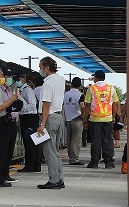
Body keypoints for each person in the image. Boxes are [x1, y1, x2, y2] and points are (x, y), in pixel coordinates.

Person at [36, 57, 66, 189]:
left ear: (47, 68)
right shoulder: (60, 80)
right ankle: (59, 178)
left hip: (49, 117)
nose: (40, 70)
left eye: (41, 67)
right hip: (58, 117)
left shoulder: (48, 83)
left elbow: (46, 104)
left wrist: (42, 123)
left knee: (49, 151)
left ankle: (54, 180)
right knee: (55, 150)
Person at [84, 70, 120, 169]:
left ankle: (94, 162)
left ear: (96, 77)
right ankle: (108, 162)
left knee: (96, 141)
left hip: (95, 119)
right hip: (108, 118)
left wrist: (85, 118)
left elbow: (87, 105)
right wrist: (113, 117)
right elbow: (116, 103)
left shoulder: (91, 89)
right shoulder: (111, 88)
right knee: (108, 140)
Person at [15, 73, 41, 173]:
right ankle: (34, 165)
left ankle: (31, 165)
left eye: (18, 79)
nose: (16, 81)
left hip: (29, 117)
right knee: (33, 142)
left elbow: (32, 105)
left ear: (23, 79)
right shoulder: (23, 90)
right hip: (29, 117)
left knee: (30, 142)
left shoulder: (27, 90)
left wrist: (19, 110)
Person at [63, 77, 86, 165]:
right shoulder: (80, 94)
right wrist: (82, 115)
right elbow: (82, 106)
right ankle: (74, 159)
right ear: (80, 85)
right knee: (76, 139)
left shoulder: (66, 94)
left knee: (69, 139)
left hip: (68, 118)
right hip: (77, 118)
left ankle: (70, 156)